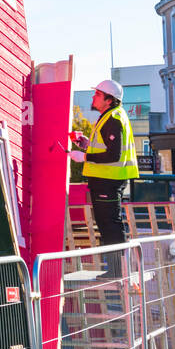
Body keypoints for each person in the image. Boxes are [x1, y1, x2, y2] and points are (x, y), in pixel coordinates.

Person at [70, 79, 138, 277]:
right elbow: (106, 149)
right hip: (106, 181)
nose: (93, 97)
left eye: (98, 94)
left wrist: (84, 157)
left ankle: (117, 271)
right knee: (108, 224)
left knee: (110, 225)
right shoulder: (109, 116)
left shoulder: (113, 118)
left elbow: (112, 155)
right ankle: (117, 270)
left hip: (108, 181)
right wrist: (85, 145)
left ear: (109, 100)